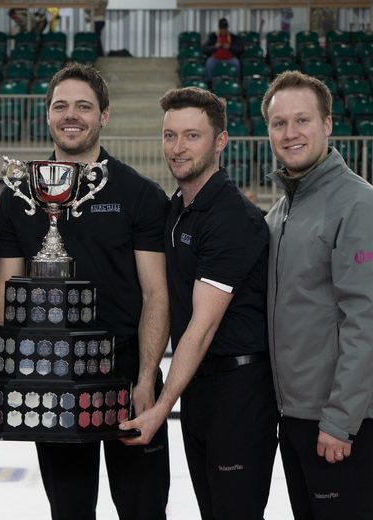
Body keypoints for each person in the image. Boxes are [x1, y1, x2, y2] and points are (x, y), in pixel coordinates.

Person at [0, 63, 171, 520]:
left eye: (84, 106)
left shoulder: (139, 194)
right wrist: (6, 377)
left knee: (143, 510)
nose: (71, 116)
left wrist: (147, 379)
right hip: (52, 378)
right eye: (61, 106)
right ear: (47, 115)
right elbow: (7, 290)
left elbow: (156, 295)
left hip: (127, 375)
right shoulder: (19, 196)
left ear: (104, 115)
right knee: (69, 512)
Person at [120, 87, 277, 519]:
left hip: (240, 390)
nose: (177, 147)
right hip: (201, 387)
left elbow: (202, 327)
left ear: (220, 141)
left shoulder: (232, 218)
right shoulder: (177, 208)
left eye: (192, 135)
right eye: (170, 136)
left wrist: (158, 408)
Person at [263, 70, 373, 520]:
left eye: (302, 120)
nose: (290, 133)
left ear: (328, 124)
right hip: (296, 416)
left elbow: (369, 325)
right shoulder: (281, 211)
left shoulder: (362, 208)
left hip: (339, 423)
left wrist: (341, 422)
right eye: (279, 123)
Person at [203, 18, 240, 84]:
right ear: (219, 28)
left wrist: (230, 47)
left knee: (237, 63)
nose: (223, 30)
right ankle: (209, 83)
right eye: (222, 28)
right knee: (209, 63)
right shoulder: (213, 36)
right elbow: (205, 49)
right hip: (215, 58)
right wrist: (215, 47)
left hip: (230, 58)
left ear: (227, 28)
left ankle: (237, 82)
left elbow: (239, 49)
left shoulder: (233, 37)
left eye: (225, 28)